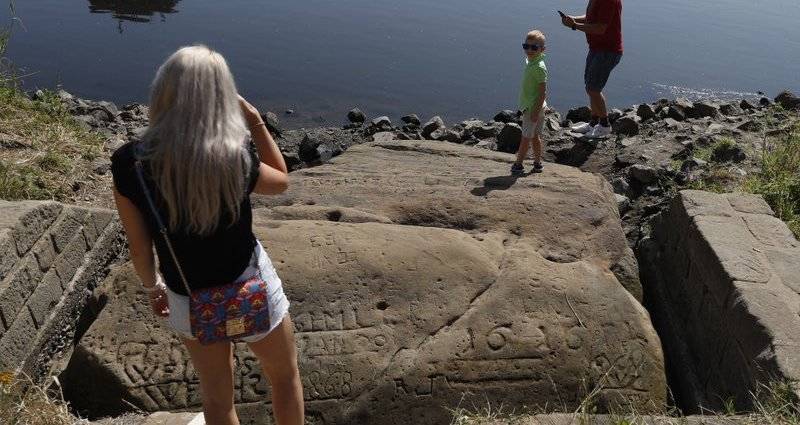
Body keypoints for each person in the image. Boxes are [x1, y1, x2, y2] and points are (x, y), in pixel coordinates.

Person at [110, 45, 304, 425]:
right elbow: (281, 181)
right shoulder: (234, 155)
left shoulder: (129, 163)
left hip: (188, 296)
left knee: (217, 401)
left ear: (161, 92)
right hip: (249, 285)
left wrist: (153, 288)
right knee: (284, 377)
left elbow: (139, 248)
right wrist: (254, 121)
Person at [561, 0, 623, 139]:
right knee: (590, 86)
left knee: (593, 89)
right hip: (596, 48)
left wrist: (574, 25)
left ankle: (604, 126)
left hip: (607, 51)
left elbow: (600, 28)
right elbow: (591, 18)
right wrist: (572, 19)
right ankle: (593, 123)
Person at [512, 29, 548, 176]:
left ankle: (518, 164)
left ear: (542, 49)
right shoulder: (532, 61)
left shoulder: (539, 68)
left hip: (533, 108)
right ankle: (538, 163)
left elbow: (543, 92)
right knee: (535, 136)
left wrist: (534, 112)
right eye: (526, 46)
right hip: (536, 107)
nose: (529, 50)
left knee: (526, 137)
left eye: (534, 47)